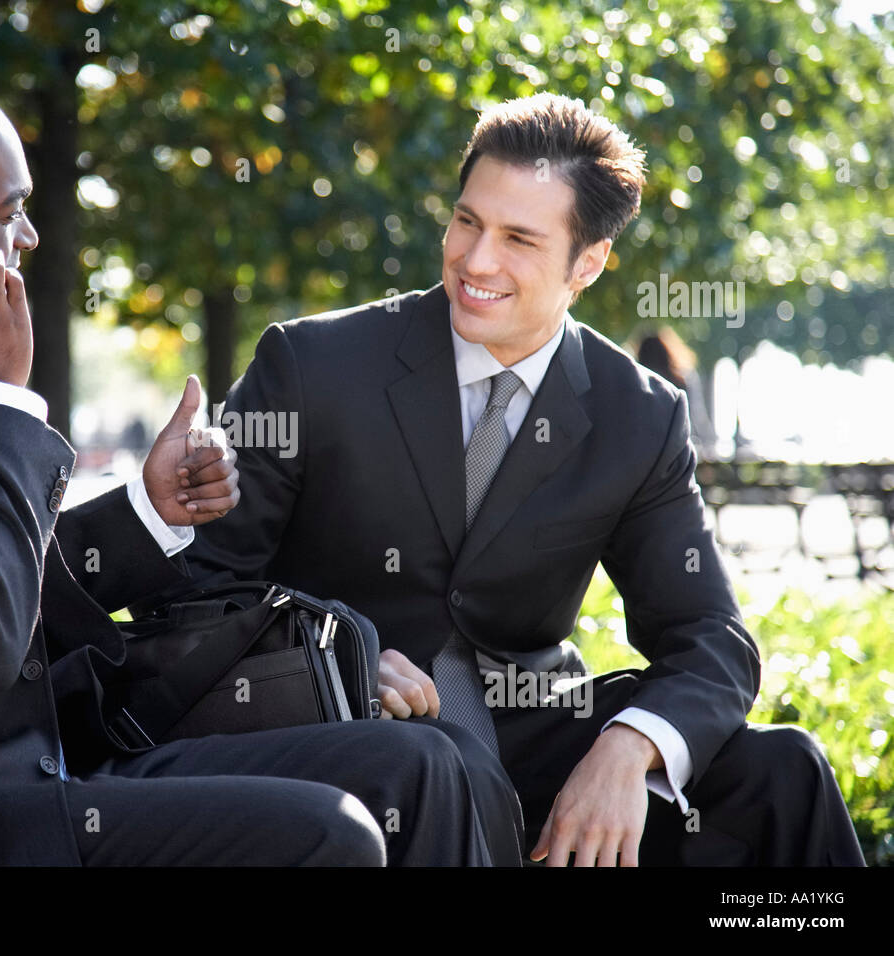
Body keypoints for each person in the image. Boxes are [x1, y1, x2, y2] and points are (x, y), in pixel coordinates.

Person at [0, 76, 523, 866]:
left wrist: (147, 510)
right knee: (328, 833)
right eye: (9, 213)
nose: (28, 239)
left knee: (418, 767)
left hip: (36, 780)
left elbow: (6, 589)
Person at [183, 93, 864, 866]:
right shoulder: (310, 368)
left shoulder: (638, 416)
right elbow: (201, 590)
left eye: (518, 239)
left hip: (535, 741)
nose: (476, 261)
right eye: (468, 222)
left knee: (782, 772)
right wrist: (331, 659)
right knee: (447, 769)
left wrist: (627, 747)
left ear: (589, 262)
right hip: (355, 748)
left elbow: (710, 637)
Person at [634, 326, 718, 460]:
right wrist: (707, 448)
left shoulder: (635, 384)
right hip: (678, 452)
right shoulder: (682, 382)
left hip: (643, 454)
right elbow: (696, 417)